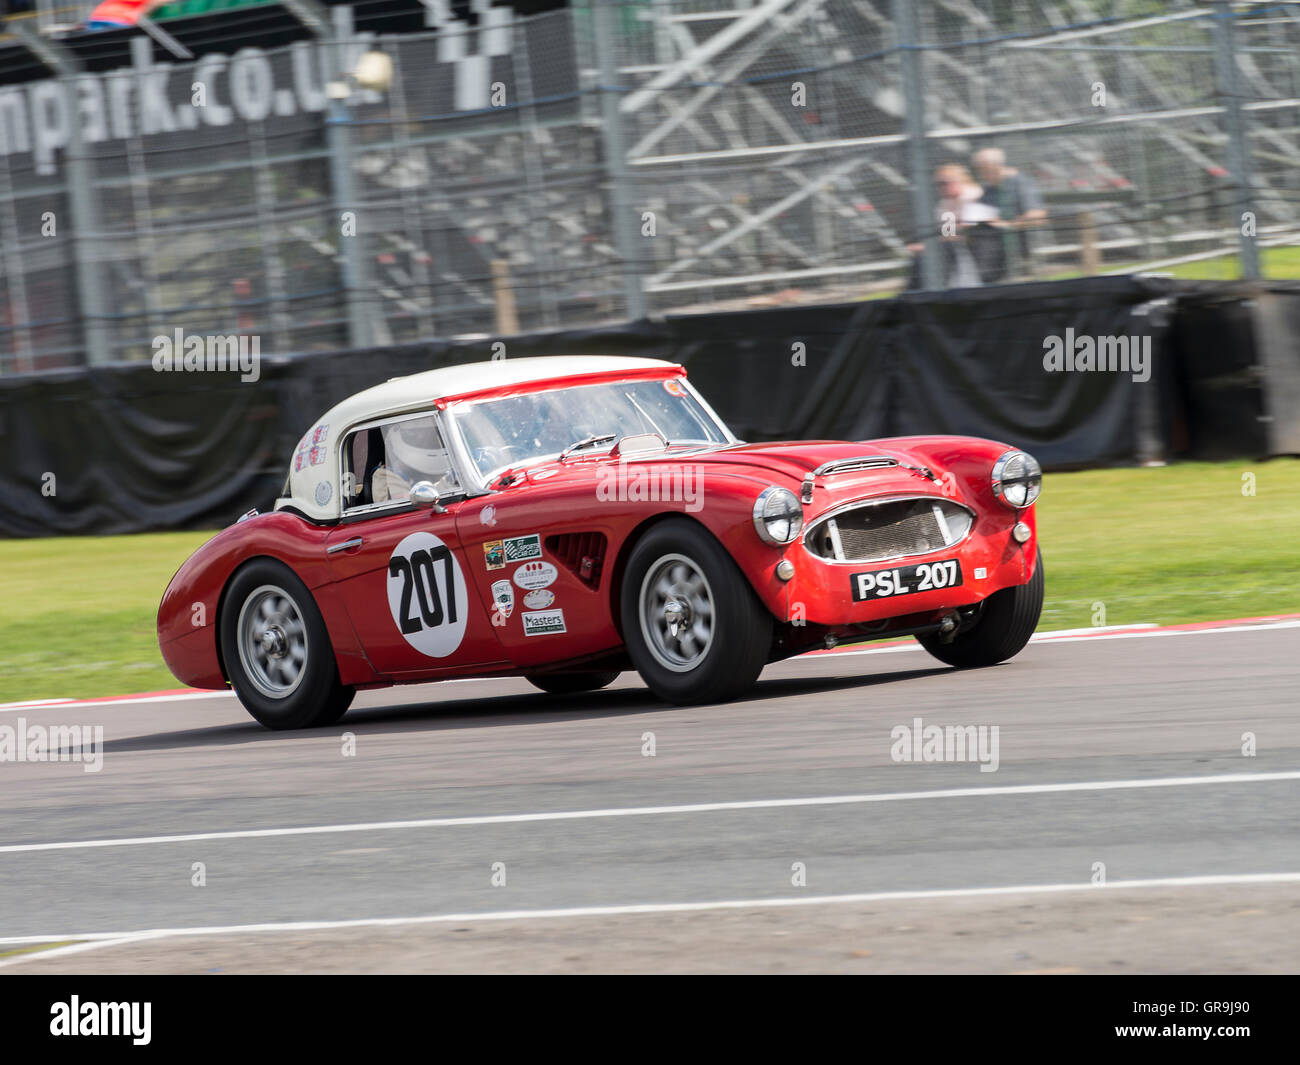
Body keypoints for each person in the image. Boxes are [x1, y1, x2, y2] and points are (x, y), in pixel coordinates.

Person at [907, 164, 996, 289]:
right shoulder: (946, 204)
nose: (940, 188)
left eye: (944, 183)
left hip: (983, 252)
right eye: (938, 184)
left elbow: (964, 232)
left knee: (940, 250)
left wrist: (929, 246)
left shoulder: (976, 197)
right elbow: (949, 234)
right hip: (961, 252)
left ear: (960, 180)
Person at [972, 148, 1046, 281]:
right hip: (980, 244)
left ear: (994, 166)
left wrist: (1006, 225)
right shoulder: (985, 189)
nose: (980, 174)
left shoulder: (1020, 182)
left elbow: (1037, 216)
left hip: (1014, 244)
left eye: (982, 169)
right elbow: (952, 227)